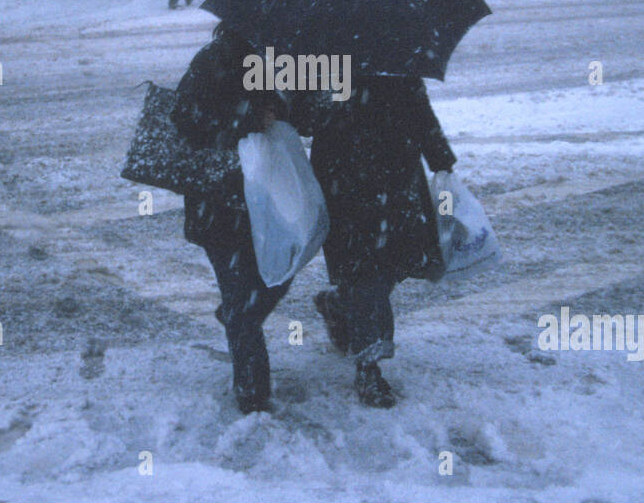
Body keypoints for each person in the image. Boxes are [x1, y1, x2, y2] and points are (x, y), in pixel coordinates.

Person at [292, 77, 455, 408]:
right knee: (364, 272)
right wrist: (328, 97)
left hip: (394, 177)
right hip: (346, 182)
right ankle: (368, 366)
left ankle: (340, 303)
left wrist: (440, 159)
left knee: (400, 261)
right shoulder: (326, 58)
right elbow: (304, 118)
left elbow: (418, 108)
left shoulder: (390, 55)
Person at [172, 27, 289, 413]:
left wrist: (281, 108)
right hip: (219, 201)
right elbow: (185, 118)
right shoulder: (213, 61)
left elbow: (293, 114)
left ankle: (238, 317)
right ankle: (252, 391)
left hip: (260, 200)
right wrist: (249, 118)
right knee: (242, 295)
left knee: (275, 277)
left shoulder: (270, 64)